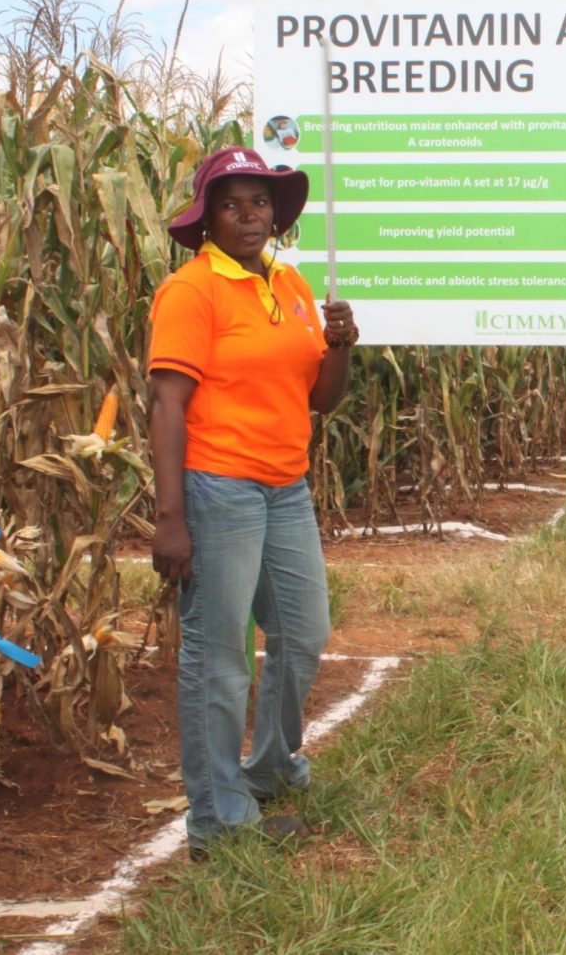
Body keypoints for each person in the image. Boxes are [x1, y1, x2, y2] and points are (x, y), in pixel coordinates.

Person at [149, 146, 359, 859]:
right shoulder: (192, 290)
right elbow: (167, 405)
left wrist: (341, 347)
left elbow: (321, 400)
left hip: (285, 484)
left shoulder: (292, 285)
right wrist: (171, 518)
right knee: (219, 656)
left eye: (260, 202)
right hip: (218, 487)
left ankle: (271, 767)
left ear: (277, 214)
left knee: (303, 632)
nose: (249, 215)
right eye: (232, 202)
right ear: (206, 215)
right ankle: (218, 818)